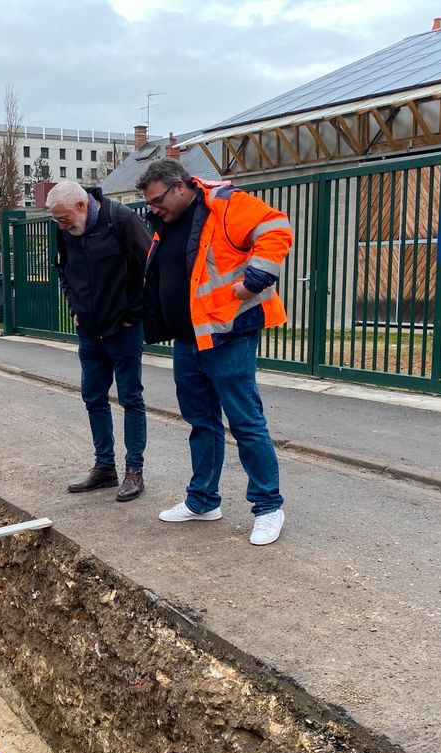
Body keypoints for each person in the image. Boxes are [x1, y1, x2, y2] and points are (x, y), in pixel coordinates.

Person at [136, 160, 293, 546]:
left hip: (228, 336)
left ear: (180, 187)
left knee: (246, 422)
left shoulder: (224, 204)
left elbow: (276, 227)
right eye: (149, 203)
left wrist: (256, 279)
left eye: (157, 200)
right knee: (201, 423)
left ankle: (268, 507)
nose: (153, 208)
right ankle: (203, 501)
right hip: (188, 341)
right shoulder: (168, 221)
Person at [47, 180, 152, 502]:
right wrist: (74, 308)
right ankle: (105, 467)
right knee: (93, 398)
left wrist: (133, 314)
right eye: (56, 220)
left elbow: (151, 268)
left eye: (63, 218)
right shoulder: (66, 230)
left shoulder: (121, 220)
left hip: (124, 329)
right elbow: (63, 271)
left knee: (130, 398)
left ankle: (134, 470)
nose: (61, 226)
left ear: (82, 205)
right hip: (90, 332)